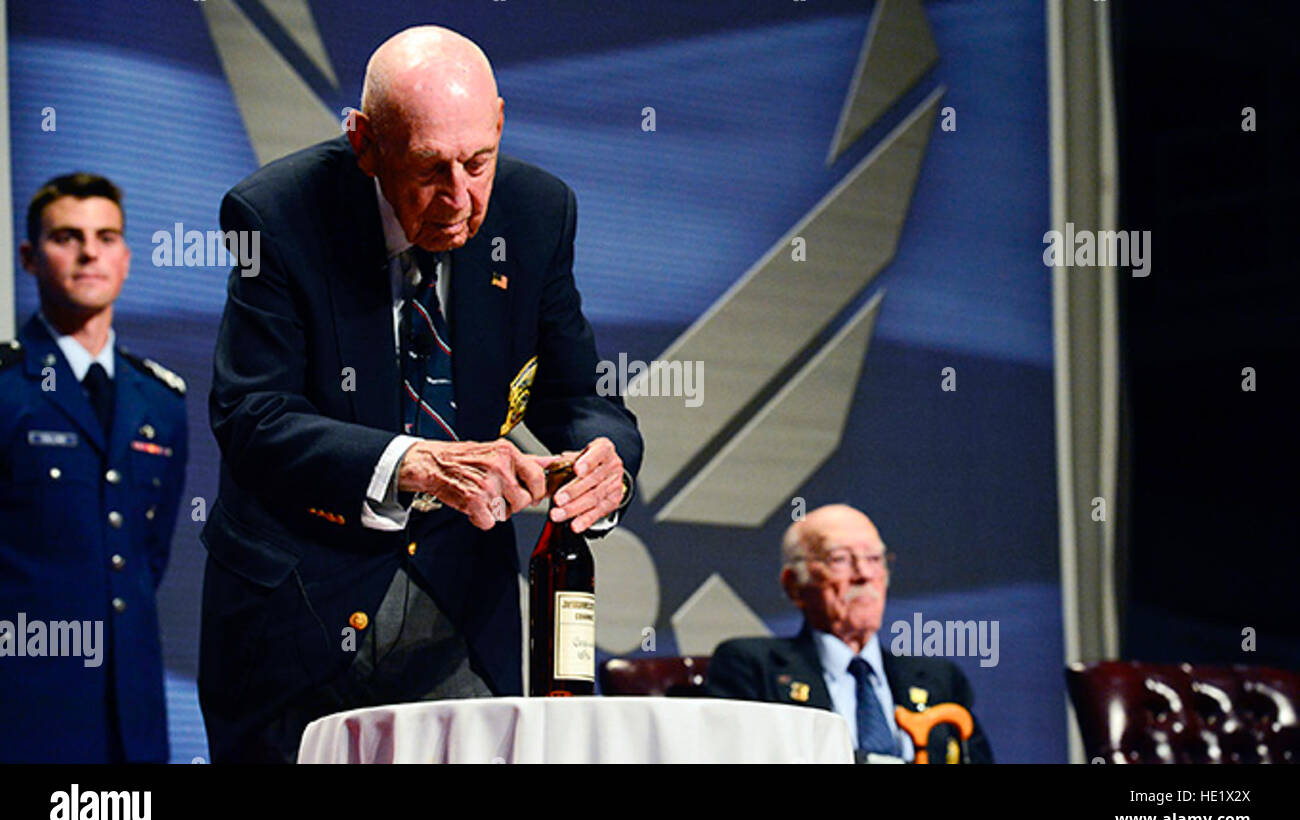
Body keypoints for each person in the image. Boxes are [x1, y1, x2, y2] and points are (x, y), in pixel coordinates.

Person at [199, 25, 643, 762]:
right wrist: (414, 463)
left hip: (461, 609)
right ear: (366, 143)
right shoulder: (275, 215)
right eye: (430, 168)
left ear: (499, 121)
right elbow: (252, 417)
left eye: (478, 162)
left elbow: (580, 396)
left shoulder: (536, 215)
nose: (459, 199)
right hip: (298, 615)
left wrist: (609, 458)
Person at [0, 173, 188, 762]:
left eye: (106, 237)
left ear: (127, 259)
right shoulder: (6, 387)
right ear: (30, 257)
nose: (89, 252)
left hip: (131, 713)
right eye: (67, 237)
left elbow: (144, 556)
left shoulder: (161, 399)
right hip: (23, 708)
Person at [706, 504, 993, 763]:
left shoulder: (940, 679)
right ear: (793, 584)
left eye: (874, 558)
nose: (864, 573)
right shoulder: (752, 667)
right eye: (840, 559)